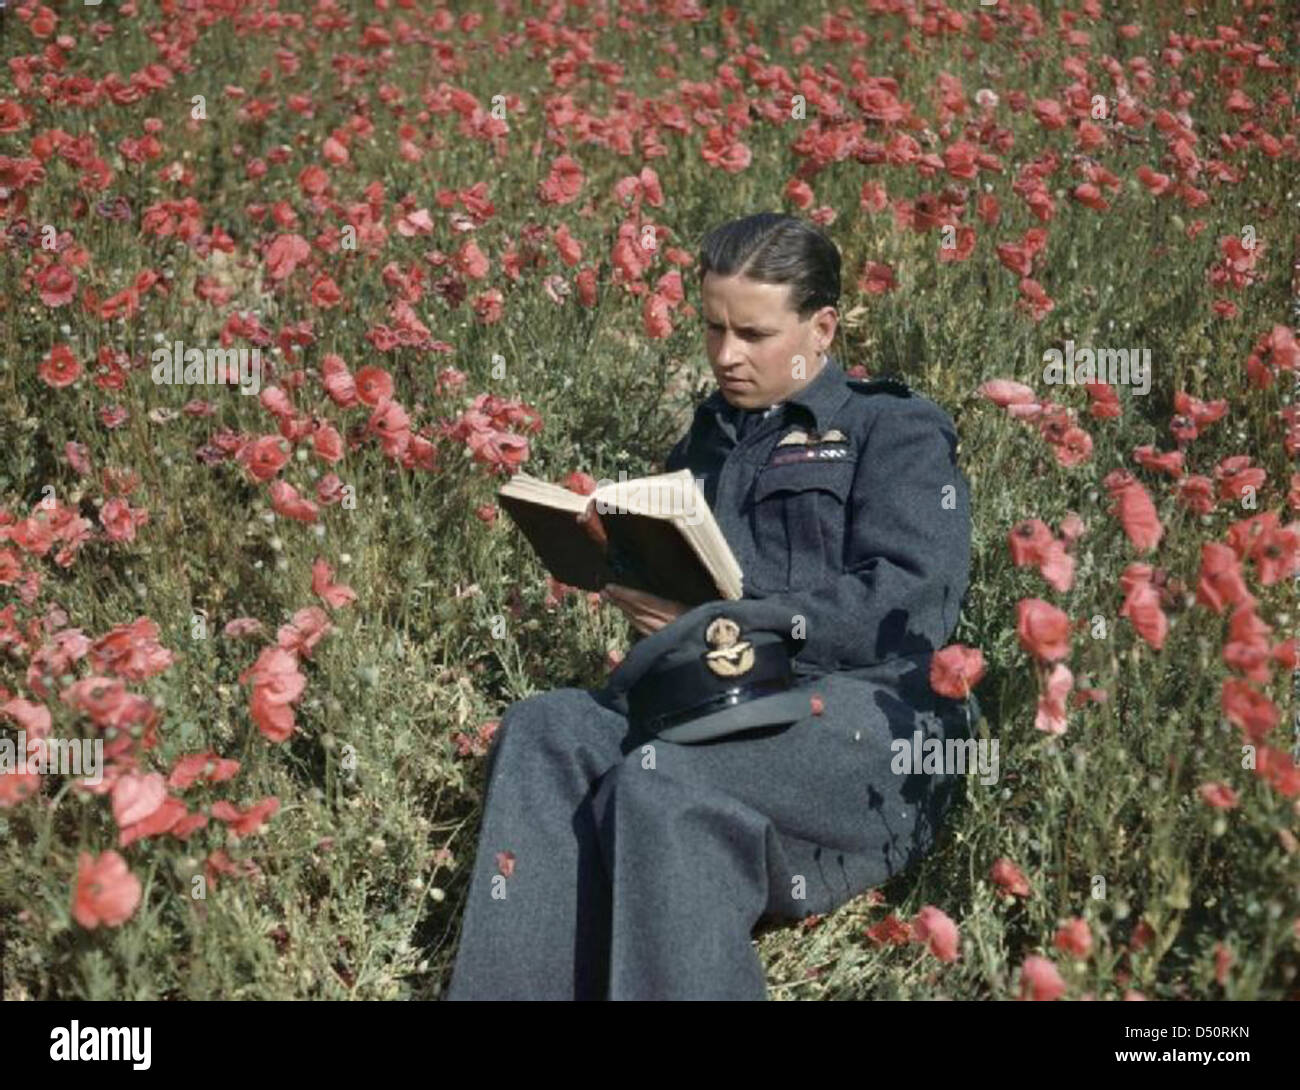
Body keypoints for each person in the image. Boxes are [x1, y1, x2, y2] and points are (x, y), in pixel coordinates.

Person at [444, 212, 976, 1001]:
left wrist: (735, 623)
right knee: (546, 729)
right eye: (712, 328)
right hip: (718, 703)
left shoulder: (891, 429)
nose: (726, 355)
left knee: (656, 786)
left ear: (821, 327)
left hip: (870, 722)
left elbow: (913, 602)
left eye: (753, 334)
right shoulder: (709, 438)